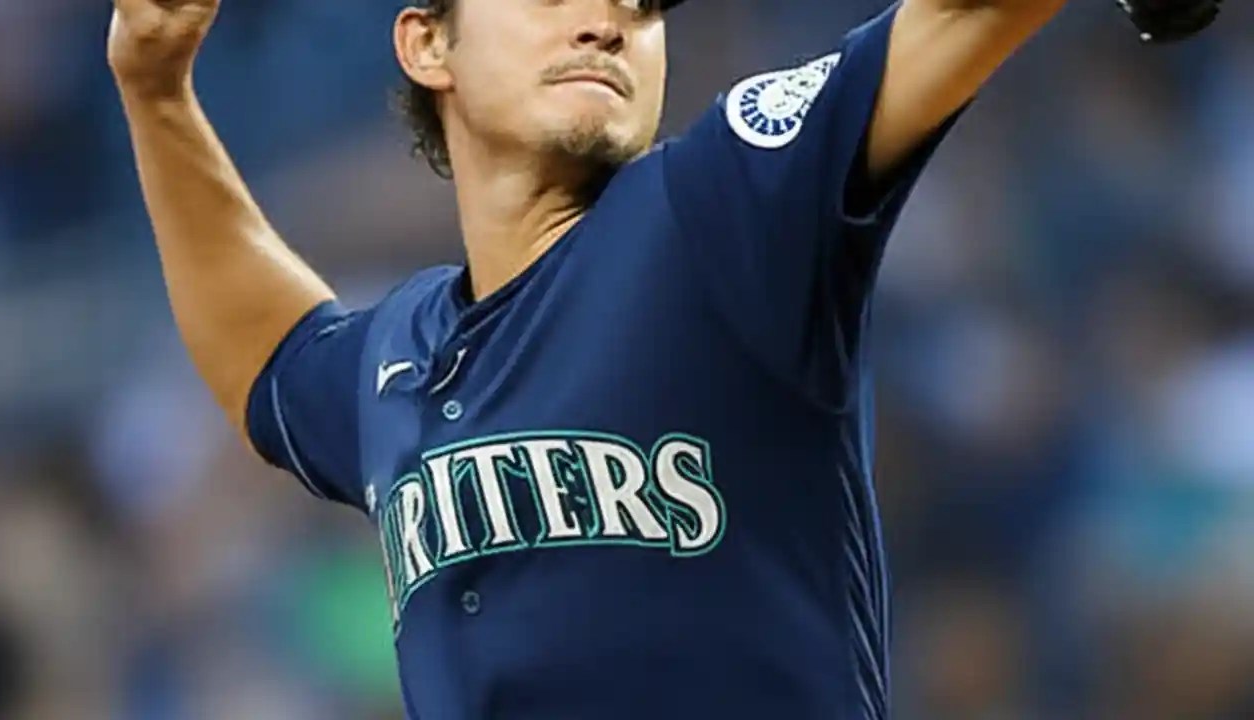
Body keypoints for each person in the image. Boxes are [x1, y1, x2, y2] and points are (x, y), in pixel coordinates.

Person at [104, 0, 1211, 717]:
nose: (608, 20)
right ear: (426, 41)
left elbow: (946, 20)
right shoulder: (397, 355)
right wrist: (156, 97)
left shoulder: (717, 205)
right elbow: (267, 355)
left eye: (641, 4)